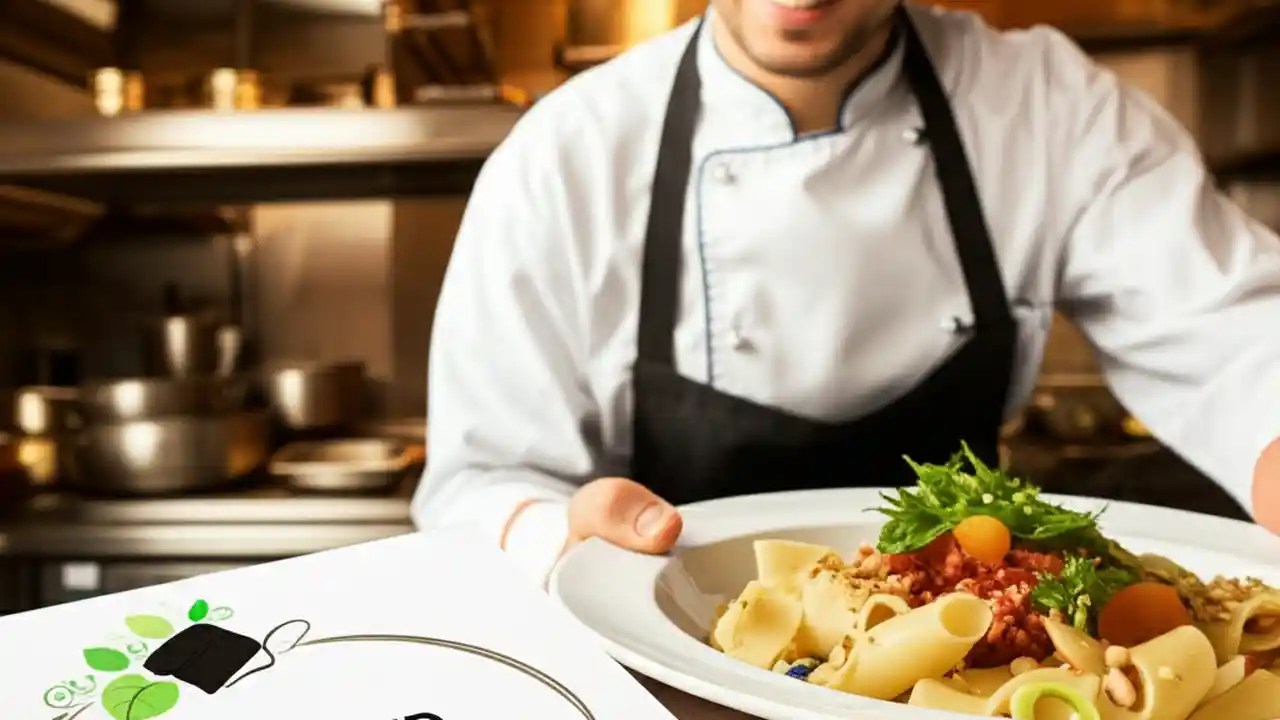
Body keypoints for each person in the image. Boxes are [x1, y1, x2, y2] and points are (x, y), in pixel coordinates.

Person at [412, 0, 1280, 585]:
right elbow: (481, 482)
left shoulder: (1045, 105)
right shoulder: (564, 157)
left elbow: (1239, 338)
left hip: (968, 653)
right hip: (659, 662)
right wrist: (559, 537)